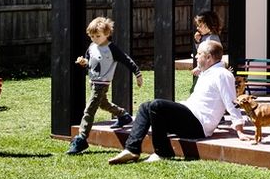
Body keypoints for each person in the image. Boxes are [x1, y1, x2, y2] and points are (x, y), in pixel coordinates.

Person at [108, 39, 247, 164]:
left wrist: (239, 129)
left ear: (209, 57)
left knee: (157, 105)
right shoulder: (207, 72)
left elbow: (231, 101)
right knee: (146, 106)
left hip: (200, 124)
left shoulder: (223, 74)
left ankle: (163, 152)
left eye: (199, 54)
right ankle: (132, 149)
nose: (196, 57)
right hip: (190, 116)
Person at [66, 16, 143, 156]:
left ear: (107, 34)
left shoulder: (111, 49)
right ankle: (123, 115)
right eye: (92, 36)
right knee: (103, 103)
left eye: (98, 36)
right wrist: (83, 62)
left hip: (102, 83)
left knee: (89, 109)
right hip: (93, 82)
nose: (95, 39)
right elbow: (89, 61)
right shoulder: (91, 47)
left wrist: (137, 74)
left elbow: (127, 60)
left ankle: (81, 139)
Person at [190, 12, 222, 92]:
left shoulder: (212, 39)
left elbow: (208, 57)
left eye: (200, 26)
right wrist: (197, 41)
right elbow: (201, 51)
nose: (197, 28)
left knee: (196, 90)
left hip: (208, 71)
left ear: (209, 26)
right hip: (204, 70)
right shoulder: (206, 37)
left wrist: (199, 68)